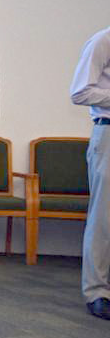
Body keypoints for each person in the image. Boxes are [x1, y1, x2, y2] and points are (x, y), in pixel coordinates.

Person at [70, 25, 110, 320]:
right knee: (104, 218)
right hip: (108, 132)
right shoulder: (103, 40)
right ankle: (98, 292)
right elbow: (80, 91)